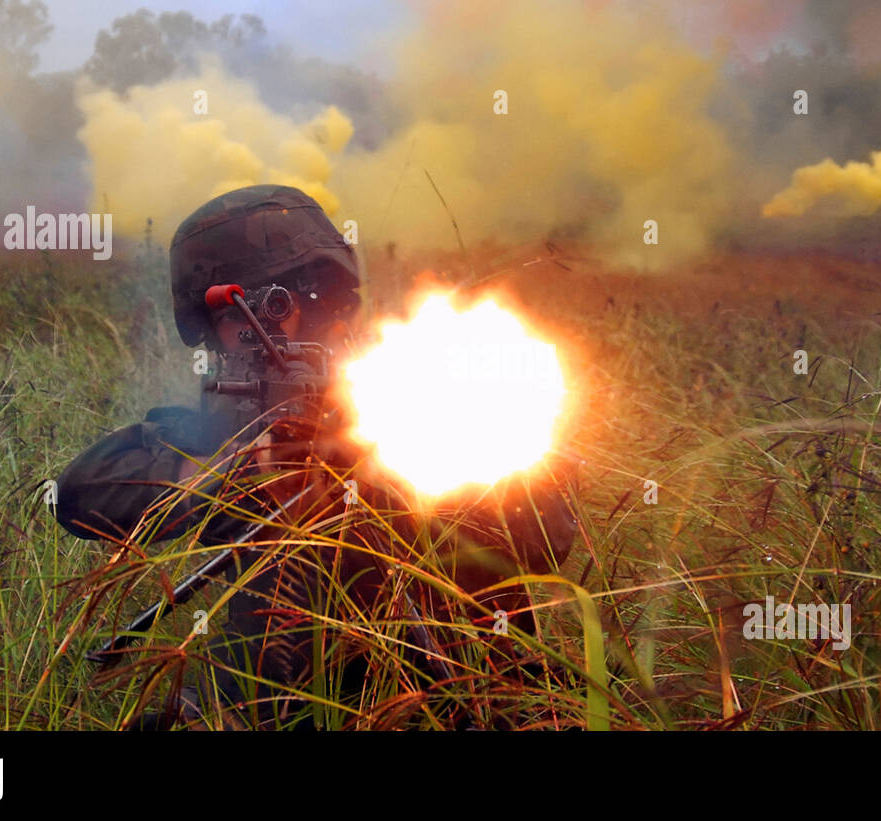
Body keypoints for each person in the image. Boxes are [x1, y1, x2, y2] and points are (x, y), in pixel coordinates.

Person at [55, 185, 577, 728]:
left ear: (326, 300)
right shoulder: (223, 431)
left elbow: (546, 541)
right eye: (239, 322)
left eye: (288, 303)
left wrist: (406, 473)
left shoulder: (418, 385)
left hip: (448, 685)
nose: (263, 335)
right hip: (281, 696)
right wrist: (231, 473)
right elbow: (80, 494)